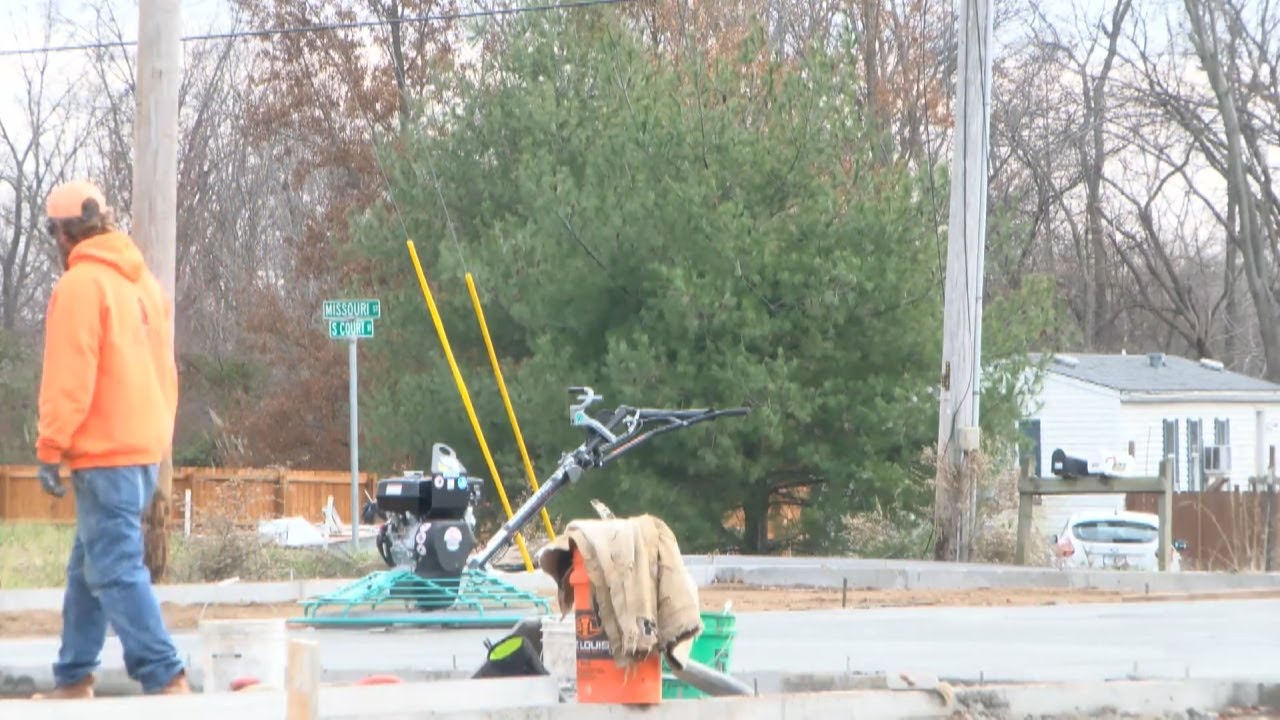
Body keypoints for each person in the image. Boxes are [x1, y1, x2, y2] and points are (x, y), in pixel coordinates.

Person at [31, 180, 189, 699]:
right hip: (142, 449)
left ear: (63, 233)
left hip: (105, 453)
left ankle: (165, 677)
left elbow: (69, 377)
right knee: (87, 566)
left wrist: (51, 446)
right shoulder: (141, 284)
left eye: (53, 232)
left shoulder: (81, 286)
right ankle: (74, 676)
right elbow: (166, 372)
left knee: (116, 568)